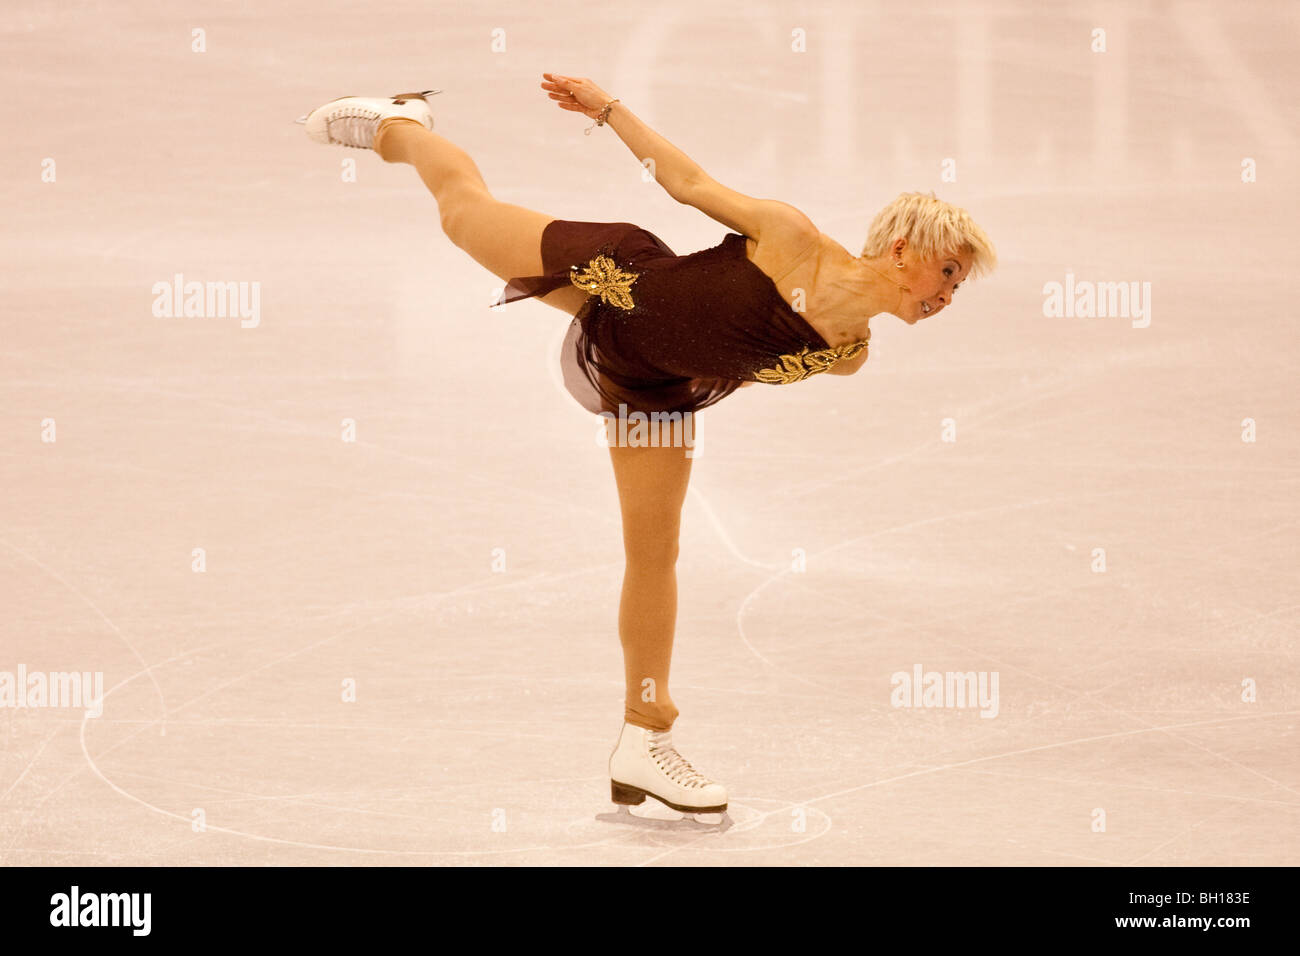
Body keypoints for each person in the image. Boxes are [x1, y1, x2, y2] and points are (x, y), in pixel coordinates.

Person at [299, 78, 997, 820]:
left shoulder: (847, 354)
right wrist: (608, 111)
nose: (948, 296)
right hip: (617, 278)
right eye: (948, 273)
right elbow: (688, 183)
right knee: (463, 214)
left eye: (958, 286)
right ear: (903, 247)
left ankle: (643, 737)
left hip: (652, 385)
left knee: (654, 553)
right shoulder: (794, 240)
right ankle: (401, 127)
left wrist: (670, 402)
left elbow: (729, 355)